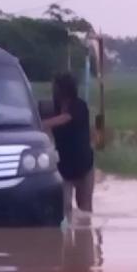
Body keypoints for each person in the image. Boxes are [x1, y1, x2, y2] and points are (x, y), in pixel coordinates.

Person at [41, 73, 95, 216]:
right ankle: (66, 237)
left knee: (85, 208)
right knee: (64, 208)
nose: (52, 89)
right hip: (63, 166)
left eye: (54, 86)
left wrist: (39, 125)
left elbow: (65, 119)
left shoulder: (79, 106)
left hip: (84, 165)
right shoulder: (54, 108)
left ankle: (84, 237)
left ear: (63, 89)